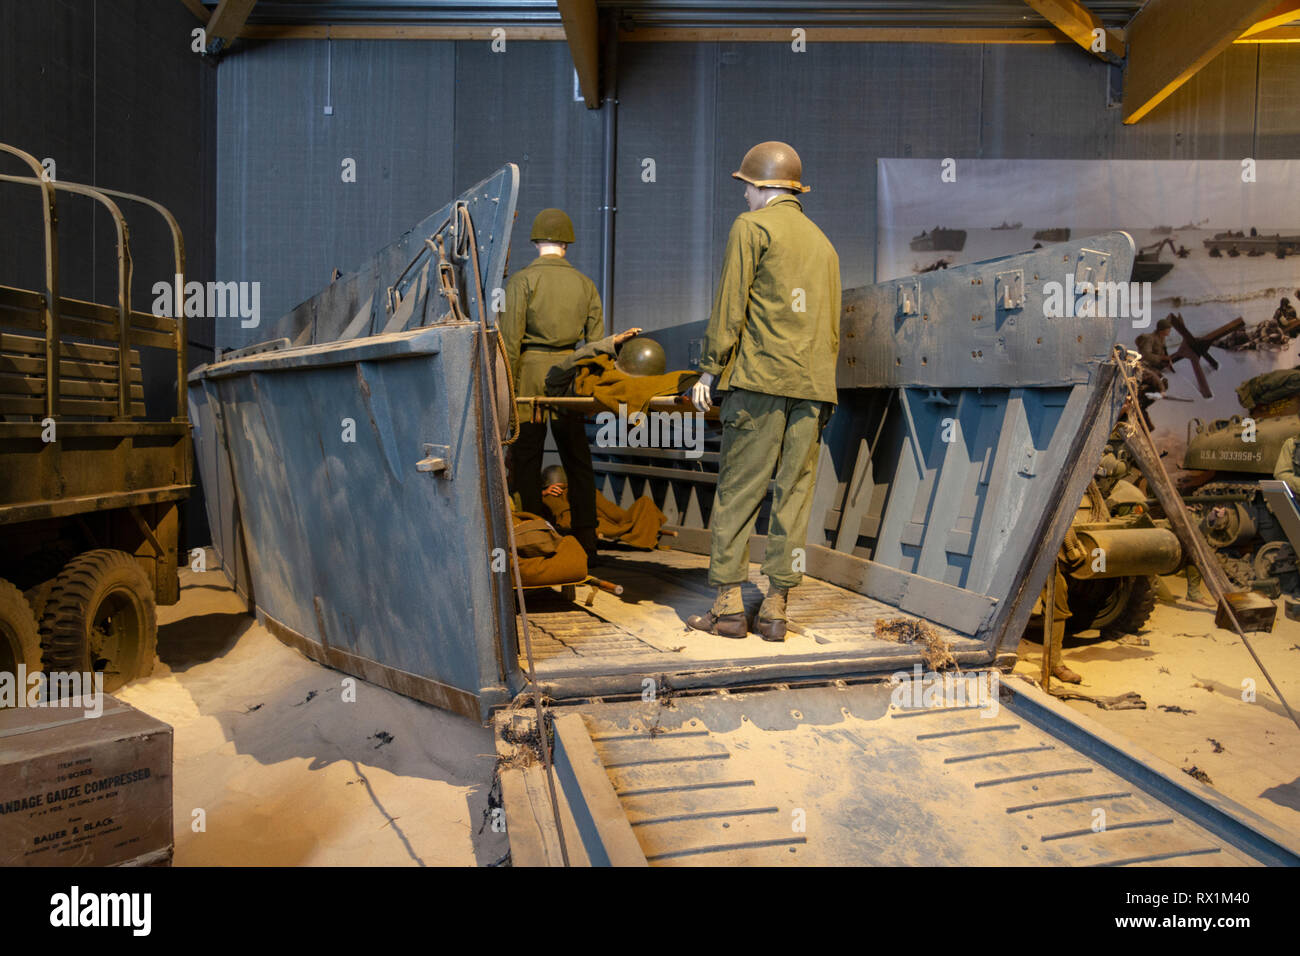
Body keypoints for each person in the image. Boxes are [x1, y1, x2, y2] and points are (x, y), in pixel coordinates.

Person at [686, 141, 841, 641]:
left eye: (746, 188)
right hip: (813, 389)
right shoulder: (824, 244)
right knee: (794, 497)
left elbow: (730, 303)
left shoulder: (751, 228)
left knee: (739, 491)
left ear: (760, 186)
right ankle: (776, 610)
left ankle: (729, 608)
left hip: (758, 382)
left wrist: (709, 370)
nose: (745, 198)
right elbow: (831, 327)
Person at [502, 208, 603, 562]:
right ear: (566, 243)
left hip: (529, 376)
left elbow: (509, 343)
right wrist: (586, 389)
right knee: (578, 458)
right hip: (570, 377)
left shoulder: (521, 282)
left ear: (535, 240)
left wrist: (507, 393)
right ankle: (587, 537)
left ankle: (532, 530)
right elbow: (596, 347)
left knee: (526, 457)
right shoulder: (586, 284)